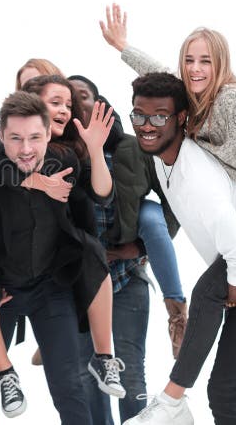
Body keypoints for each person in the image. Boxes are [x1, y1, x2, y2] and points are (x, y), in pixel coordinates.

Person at [101, 5, 236, 424]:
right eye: (190, 59)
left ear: (220, 65)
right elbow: (159, 75)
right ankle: (173, 401)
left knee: (208, 291)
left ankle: (172, 399)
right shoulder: (187, 98)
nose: (195, 68)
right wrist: (123, 47)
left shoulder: (230, 101)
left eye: (205, 60)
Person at [0, 91, 115, 424]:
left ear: (48, 135)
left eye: (34, 137)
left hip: (51, 289)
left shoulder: (64, 168)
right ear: (1, 137)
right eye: (15, 138)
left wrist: (84, 270)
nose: (26, 148)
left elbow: (91, 214)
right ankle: (7, 375)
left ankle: (103, 358)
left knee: (69, 387)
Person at [57, 75, 182, 423]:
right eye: (69, 98)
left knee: (130, 373)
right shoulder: (57, 155)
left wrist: (138, 247)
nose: (77, 102)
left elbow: (172, 201)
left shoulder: (131, 150)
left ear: (100, 105)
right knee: (90, 374)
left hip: (127, 279)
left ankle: (178, 310)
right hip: (82, 285)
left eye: (84, 95)